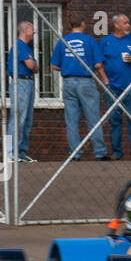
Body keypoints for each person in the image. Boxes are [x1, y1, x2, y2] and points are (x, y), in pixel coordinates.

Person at [50, 14, 109, 161]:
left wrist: (68, 67)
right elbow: (98, 64)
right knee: (93, 118)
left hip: (68, 82)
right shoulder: (89, 40)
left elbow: (54, 65)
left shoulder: (62, 41)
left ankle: (75, 153)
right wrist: (105, 80)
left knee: (71, 120)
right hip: (86, 82)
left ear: (70, 25)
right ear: (82, 23)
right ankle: (100, 152)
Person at [101, 13, 131, 160]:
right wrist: (105, 81)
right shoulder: (106, 41)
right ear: (116, 25)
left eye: (129, 22)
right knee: (114, 119)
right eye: (125, 23)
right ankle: (117, 152)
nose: (128, 25)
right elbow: (98, 63)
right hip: (112, 87)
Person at [7, 21, 39, 162]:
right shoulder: (19, 46)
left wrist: (33, 64)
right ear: (25, 30)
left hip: (28, 82)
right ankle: (10, 152)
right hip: (20, 82)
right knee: (18, 118)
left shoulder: (26, 47)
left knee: (27, 119)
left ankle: (20, 152)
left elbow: (36, 67)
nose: (34, 32)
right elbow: (31, 65)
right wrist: (33, 64)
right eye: (32, 29)